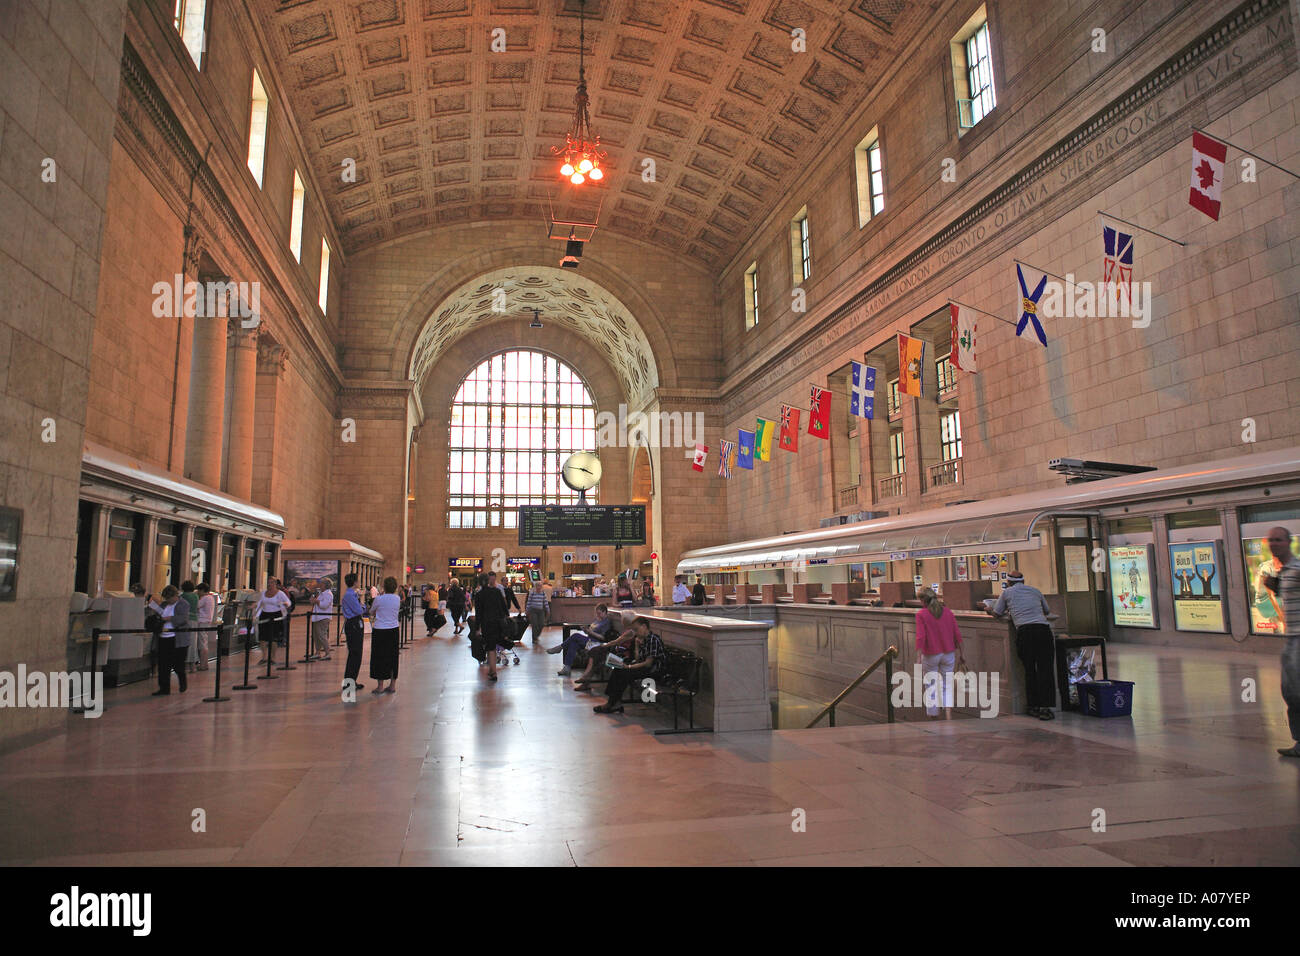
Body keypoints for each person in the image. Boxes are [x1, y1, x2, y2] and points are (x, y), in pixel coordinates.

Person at [991, 570, 1055, 719]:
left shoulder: (1007, 593)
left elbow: (997, 613)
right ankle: (1046, 708)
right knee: (1046, 670)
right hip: (1043, 631)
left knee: (1030, 670)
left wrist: (989, 610)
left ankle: (1033, 706)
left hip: (1025, 632)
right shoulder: (1035, 591)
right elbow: (1047, 610)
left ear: (1008, 582)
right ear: (1024, 582)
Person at [1263, 527, 1300, 757]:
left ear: (1289, 542)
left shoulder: (1296, 569)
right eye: (1271, 540)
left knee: (1295, 690)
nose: (1273, 544)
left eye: (1278, 540)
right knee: (1290, 691)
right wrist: (1272, 584)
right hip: (1291, 637)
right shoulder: (1284, 571)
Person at [593, 617, 666, 714]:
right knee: (618, 669)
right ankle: (614, 702)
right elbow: (638, 659)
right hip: (643, 667)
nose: (635, 633)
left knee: (624, 673)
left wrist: (629, 667)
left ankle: (612, 704)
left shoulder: (653, 639)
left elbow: (648, 663)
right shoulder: (642, 639)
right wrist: (636, 645)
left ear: (644, 627)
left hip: (654, 670)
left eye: (636, 629)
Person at [915, 587, 964, 719]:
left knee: (931, 686)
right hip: (948, 653)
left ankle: (934, 716)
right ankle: (948, 716)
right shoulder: (948, 612)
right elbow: (957, 635)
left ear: (923, 600)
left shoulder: (921, 614)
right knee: (947, 684)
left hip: (931, 654)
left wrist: (918, 656)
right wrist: (962, 654)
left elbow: (920, 637)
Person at [549, 603, 613, 676]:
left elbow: (603, 638)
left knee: (575, 635)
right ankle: (567, 668)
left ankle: (560, 647)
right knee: (573, 644)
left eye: (599, 613)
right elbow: (591, 631)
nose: (597, 615)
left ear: (605, 612)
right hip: (589, 640)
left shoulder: (606, 622)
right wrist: (586, 630)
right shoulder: (598, 620)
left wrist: (591, 632)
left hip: (596, 643)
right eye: (596, 613)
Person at [149, 585, 190, 695]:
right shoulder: (164, 604)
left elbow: (183, 619)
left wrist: (169, 618)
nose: (168, 601)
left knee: (178, 664)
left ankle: (182, 682)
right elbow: (158, 614)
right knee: (163, 664)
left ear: (175, 596)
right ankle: (164, 688)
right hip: (163, 637)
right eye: (166, 599)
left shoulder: (183, 604)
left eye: (169, 598)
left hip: (177, 639)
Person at [368, 576, 401, 694]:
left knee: (379, 656)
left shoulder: (379, 599)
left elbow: (371, 611)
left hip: (380, 629)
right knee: (393, 656)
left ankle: (380, 686)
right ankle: (392, 685)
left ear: (384, 586)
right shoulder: (397, 598)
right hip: (394, 629)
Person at [472, 573, 508, 682]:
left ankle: (493, 671)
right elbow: (504, 607)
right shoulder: (496, 592)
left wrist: (477, 628)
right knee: (493, 646)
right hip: (498, 623)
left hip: (486, 623)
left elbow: (479, 613)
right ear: (488, 581)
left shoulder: (479, 595)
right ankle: (492, 671)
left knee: (490, 647)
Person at [254, 579, 291, 666]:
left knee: (274, 638)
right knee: (262, 637)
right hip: (265, 615)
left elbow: (288, 603)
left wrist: (284, 603)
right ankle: (264, 657)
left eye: (271, 583)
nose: (269, 585)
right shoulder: (263, 593)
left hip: (276, 616)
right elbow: (259, 603)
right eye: (268, 583)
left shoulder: (280, 593)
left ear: (275, 584)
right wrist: (253, 606)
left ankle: (273, 657)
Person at [341, 573, 366, 693]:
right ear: (355, 582)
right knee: (355, 654)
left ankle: (352, 681)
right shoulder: (350, 595)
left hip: (355, 623)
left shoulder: (351, 594)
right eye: (358, 580)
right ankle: (349, 683)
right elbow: (359, 610)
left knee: (355, 654)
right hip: (353, 624)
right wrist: (362, 600)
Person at [195, 583, 216, 671]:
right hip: (207, 621)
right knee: (204, 642)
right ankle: (205, 663)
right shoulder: (211, 598)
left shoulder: (205, 598)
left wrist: (195, 596)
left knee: (202, 643)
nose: (198, 592)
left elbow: (196, 606)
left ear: (202, 590)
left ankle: (203, 664)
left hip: (202, 621)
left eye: (199, 591)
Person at [311, 584, 333, 660]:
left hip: (323, 617)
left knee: (322, 636)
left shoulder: (328, 594)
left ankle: (327, 653)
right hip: (317, 617)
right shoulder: (321, 593)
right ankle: (317, 652)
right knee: (316, 636)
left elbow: (324, 605)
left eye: (322, 584)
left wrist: (316, 601)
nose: (320, 586)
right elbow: (312, 602)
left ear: (325, 585)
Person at [524, 579, 549, 645]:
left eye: (540, 586)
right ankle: (534, 639)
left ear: (541, 587)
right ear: (535, 586)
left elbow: (545, 602)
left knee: (541, 624)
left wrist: (548, 610)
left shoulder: (543, 593)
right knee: (534, 625)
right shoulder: (532, 593)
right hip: (533, 610)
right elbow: (529, 602)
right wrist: (527, 610)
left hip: (541, 611)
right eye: (538, 586)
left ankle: (536, 635)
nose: (539, 587)